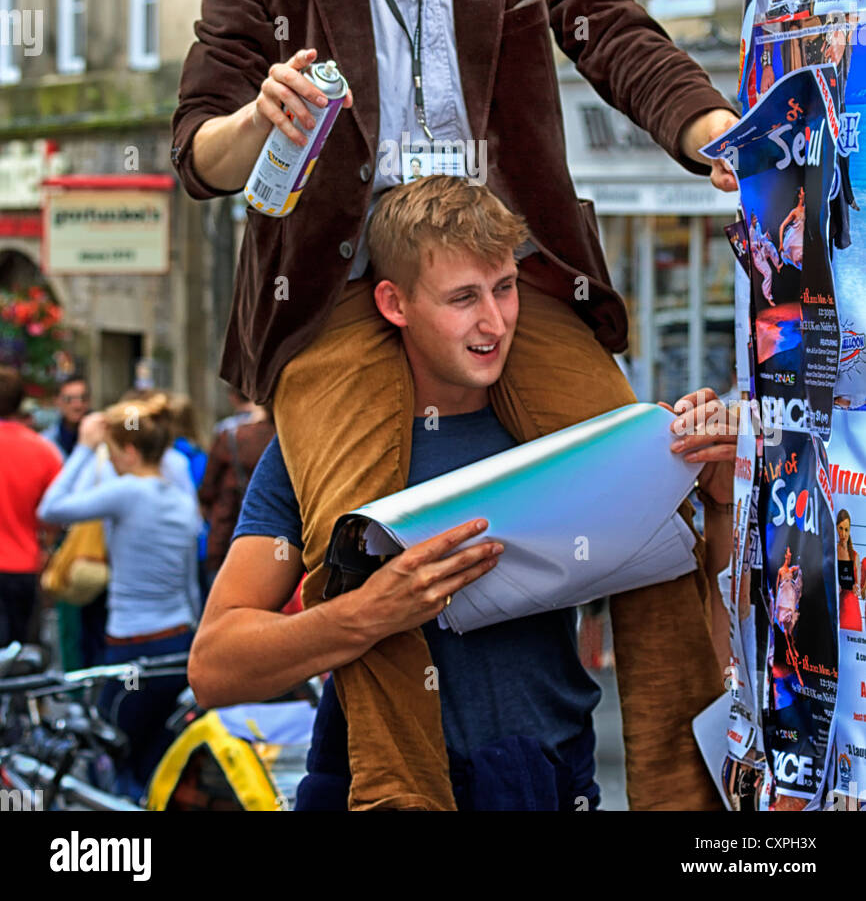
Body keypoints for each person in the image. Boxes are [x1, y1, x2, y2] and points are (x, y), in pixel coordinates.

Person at [171, 0, 740, 811]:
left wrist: (709, 134)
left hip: (503, 267)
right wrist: (254, 121)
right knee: (370, 543)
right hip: (334, 290)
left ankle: (697, 816)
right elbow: (198, 147)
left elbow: (614, 34)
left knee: (648, 492)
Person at [190, 178, 736, 810]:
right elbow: (214, 668)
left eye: (504, 288)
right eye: (462, 298)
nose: (493, 321)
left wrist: (715, 503)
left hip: (554, 783)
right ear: (394, 303)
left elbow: (713, 657)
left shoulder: (567, 432)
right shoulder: (320, 446)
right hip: (372, 788)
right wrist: (367, 614)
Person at [37, 392, 202, 799]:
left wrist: (81, 449)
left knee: (110, 761)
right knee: (155, 764)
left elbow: (50, 509)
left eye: (110, 453)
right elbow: (190, 585)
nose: (107, 461)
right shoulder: (183, 502)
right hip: (177, 646)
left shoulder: (128, 492)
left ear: (129, 451)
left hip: (132, 649)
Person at [0, 366, 63, 646]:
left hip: (21, 566)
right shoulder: (44, 451)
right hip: (24, 568)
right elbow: (57, 514)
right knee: (21, 658)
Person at [198, 401, 274, 584]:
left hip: (229, 535)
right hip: (280, 544)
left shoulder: (232, 437)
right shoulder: (290, 439)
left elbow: (207, 491)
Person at [41, 372, 90, 458]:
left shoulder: (101, 442)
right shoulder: (45, 442)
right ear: (56, 401)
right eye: (69, 399)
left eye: (83, 398)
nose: (78, 405)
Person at [837, 508, 862, 632]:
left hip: (853, 612)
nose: (843, 534)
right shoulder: (832, 552)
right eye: (841, 528)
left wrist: (857, 589)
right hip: (838, 610)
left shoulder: (855, 556)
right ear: (836, 528)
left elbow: (859, 590)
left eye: (846, 529)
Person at [778, 187, 805, 269]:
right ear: (799, 195)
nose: (804, 193)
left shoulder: (807, 208)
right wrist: (781, 243)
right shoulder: (794, 211)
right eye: (802, 191)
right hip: (795, 241)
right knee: (800, 259)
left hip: (802, 241)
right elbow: (782, 226)